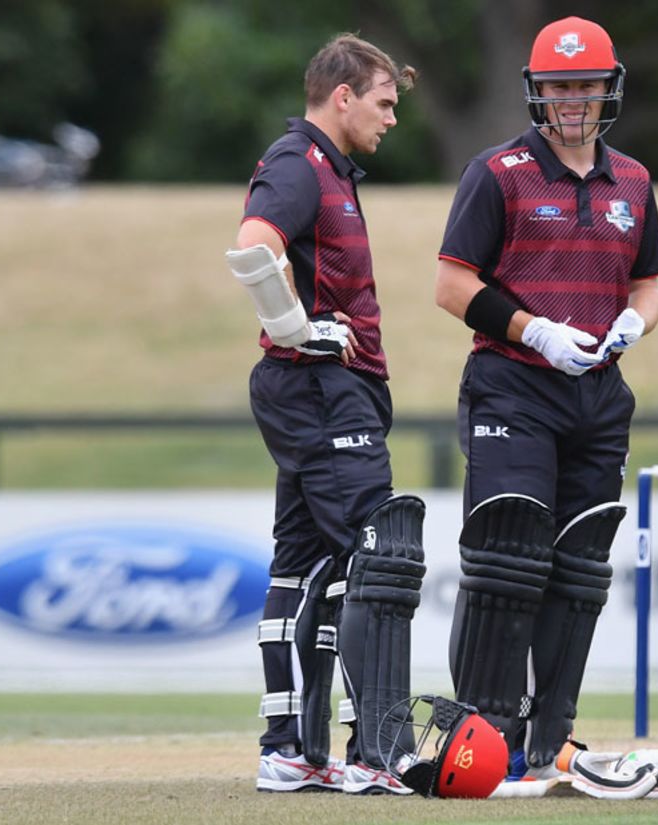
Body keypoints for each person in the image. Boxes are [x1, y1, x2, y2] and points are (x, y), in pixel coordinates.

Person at [435, 16, 658, 799]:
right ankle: (485, 735)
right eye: (560, 86)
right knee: (509, 556)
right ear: (538, 91)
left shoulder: (632, 181)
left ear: (608, 89)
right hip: (513, 383)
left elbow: (649, 284)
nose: (573, 99)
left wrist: (634, 321)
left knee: (578, 568)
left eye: (586, 85)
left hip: (597, 394)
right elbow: (452, 286)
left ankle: (550, 737)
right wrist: (535, 330)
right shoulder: (498, 173)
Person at [224, 33, 425, 795]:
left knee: (305, 563)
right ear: (343, 97)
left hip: (323, 388)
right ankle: (377, 749)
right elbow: (253, 246)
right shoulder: (298, 163)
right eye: (384, 102)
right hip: (318, 385)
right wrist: (296, 329)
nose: (392, 118)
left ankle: (292, 750)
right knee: (379, 554)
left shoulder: (326, 167)